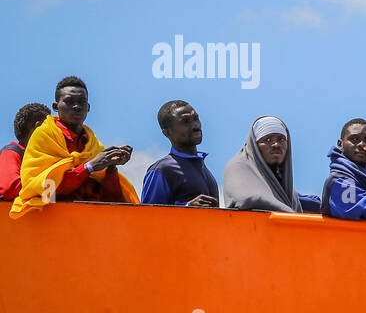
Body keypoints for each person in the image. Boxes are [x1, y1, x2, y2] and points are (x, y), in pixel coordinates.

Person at [9, 76, 138, 219]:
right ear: (55, 106)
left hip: (90, 226)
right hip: (52, 223)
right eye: (69, 102)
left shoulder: (92, 144)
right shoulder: (44, 136)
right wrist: (89, 167)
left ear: (88, 108)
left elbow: (111, 198)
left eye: (81, 102)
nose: (76, 107)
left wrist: (110, 168)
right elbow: (47, 189)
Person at [222, 115, 321, 213]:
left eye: (281, 139)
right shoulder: (238, 167)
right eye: (267, 140)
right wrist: (289, 214)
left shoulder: (288, 192)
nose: (276, 145)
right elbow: (246, 199)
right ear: (255, 146)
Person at [139, 100, 220, 207]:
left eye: (196, 118)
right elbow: (147, 217)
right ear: (167, 132)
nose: (195, 126)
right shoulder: (162, 170)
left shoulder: (203, 168)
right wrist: (187, 207)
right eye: (185, 121)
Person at [1, 103, 50, 201]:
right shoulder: (11, 152)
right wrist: (51, 187)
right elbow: (9, 188)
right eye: (49, 127)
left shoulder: (38, 158)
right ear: (38, 127)